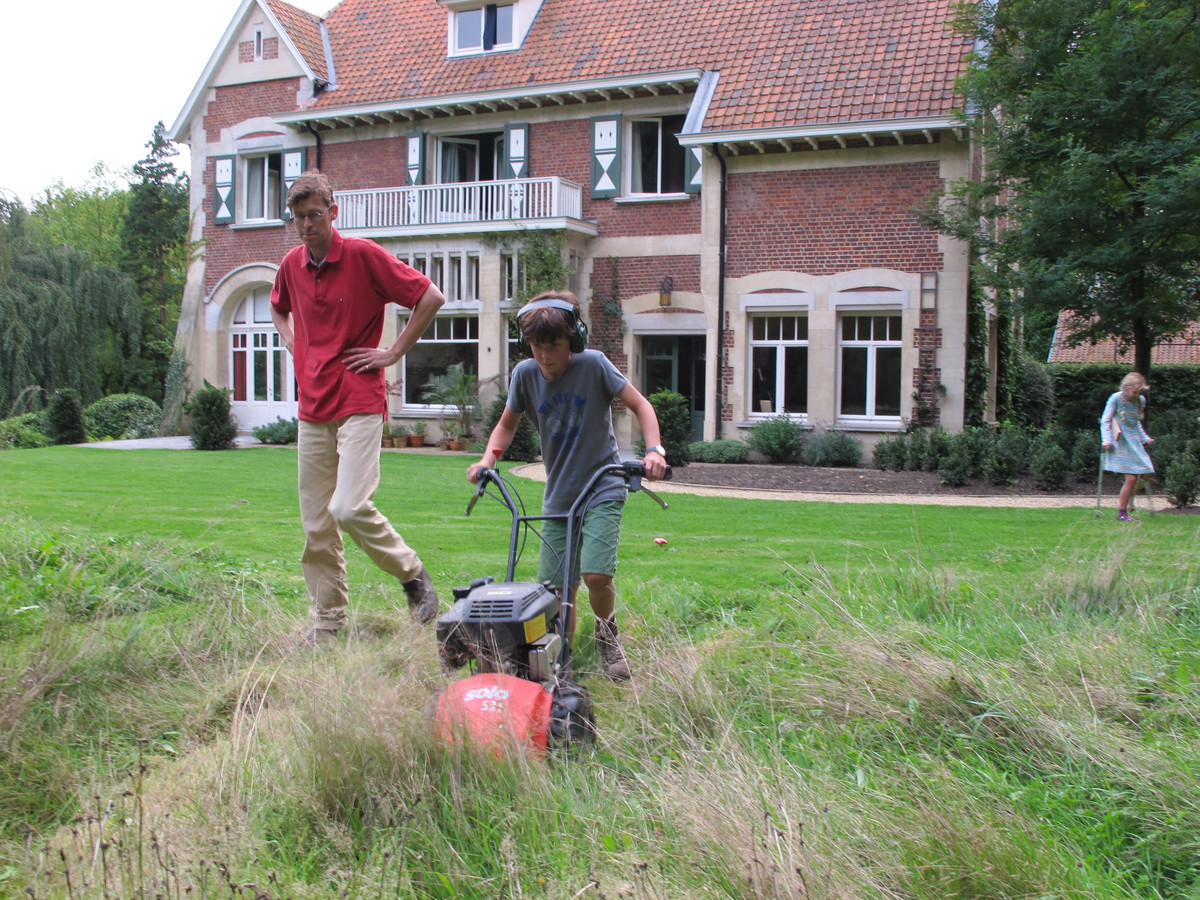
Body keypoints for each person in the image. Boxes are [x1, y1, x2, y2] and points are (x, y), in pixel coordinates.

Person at [271, 170, 446, 645]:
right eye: (298, 217)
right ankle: (327, 624)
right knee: (316, 525)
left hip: (358, 400)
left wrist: (392, 353)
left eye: (314, 215)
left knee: (348, 507)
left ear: (333, 212)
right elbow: (278, 307)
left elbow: (430, 297)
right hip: (312, 407)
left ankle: (412, 574)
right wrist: (291, 340)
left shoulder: (364, 255)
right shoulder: (291, 265)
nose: (307, 225)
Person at [466, 291, 668, 681]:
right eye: (536, 346)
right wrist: (487, 461)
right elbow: (506, 425)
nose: (545, 356)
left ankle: (608, 639)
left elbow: (641, 405)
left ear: (573, 339)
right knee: (557, 590)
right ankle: (560, 663)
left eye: (554, 346)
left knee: (596, 576)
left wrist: (654, 450)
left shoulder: (594, 365)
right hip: (559, 495)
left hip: (603, 485)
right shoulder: (525, 375)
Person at [1100, 371, 1155, 522]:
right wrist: (1106, 440)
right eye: (1135, 392)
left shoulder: (1140, 401)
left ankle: (1130, 498)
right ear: (1126, 388)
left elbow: (1136, 423)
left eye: (1139, 393)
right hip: (1120, 442)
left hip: (1134, 442)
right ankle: (1122, 513)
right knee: (1131, 478)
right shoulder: (1116, 398)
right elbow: (1106, 420)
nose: (1137, 395)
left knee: (1147, 472)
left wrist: (1146, 439)